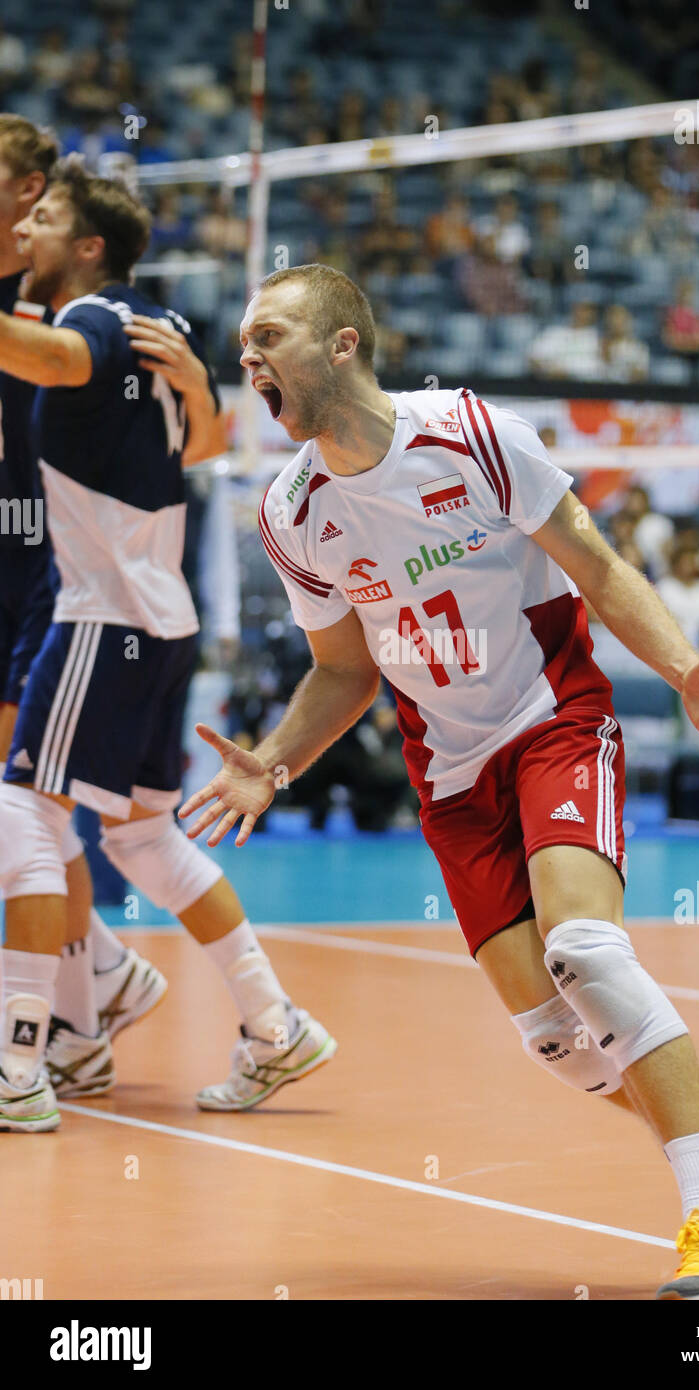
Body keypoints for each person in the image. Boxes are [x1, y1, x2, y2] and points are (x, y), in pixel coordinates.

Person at [182, 262, 699, 1301]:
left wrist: (681, 677)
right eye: (244, 341)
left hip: (549, 719)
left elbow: (600, 568)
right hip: (449, 769)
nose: (246, 354)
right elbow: (342, 667)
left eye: (270, 334)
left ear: (342, 343)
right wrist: (277, 760)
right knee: (559, 1043)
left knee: (584, 949)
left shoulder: (472, 434)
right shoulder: (294, 511)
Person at [0, 161, 335, 1131]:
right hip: (163, 618)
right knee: (142, 833)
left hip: (103, 613)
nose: (28, 230)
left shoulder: (91, 323)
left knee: (23, 811)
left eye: (46, 218)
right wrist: (201, 390)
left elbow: (54, 362)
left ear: (90, 246)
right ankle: (274, 1025)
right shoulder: (165, 327)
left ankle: (19, 1063)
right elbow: (200, 447)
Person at [0, 115, 167, 1100]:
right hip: (15, 559)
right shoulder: (32, 294)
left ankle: (57, 1018)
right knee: (26, 808)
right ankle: (96, 976)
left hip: (53, 575)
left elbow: (198, 427)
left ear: (31, 195)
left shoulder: (81, 312)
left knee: (26, 805)